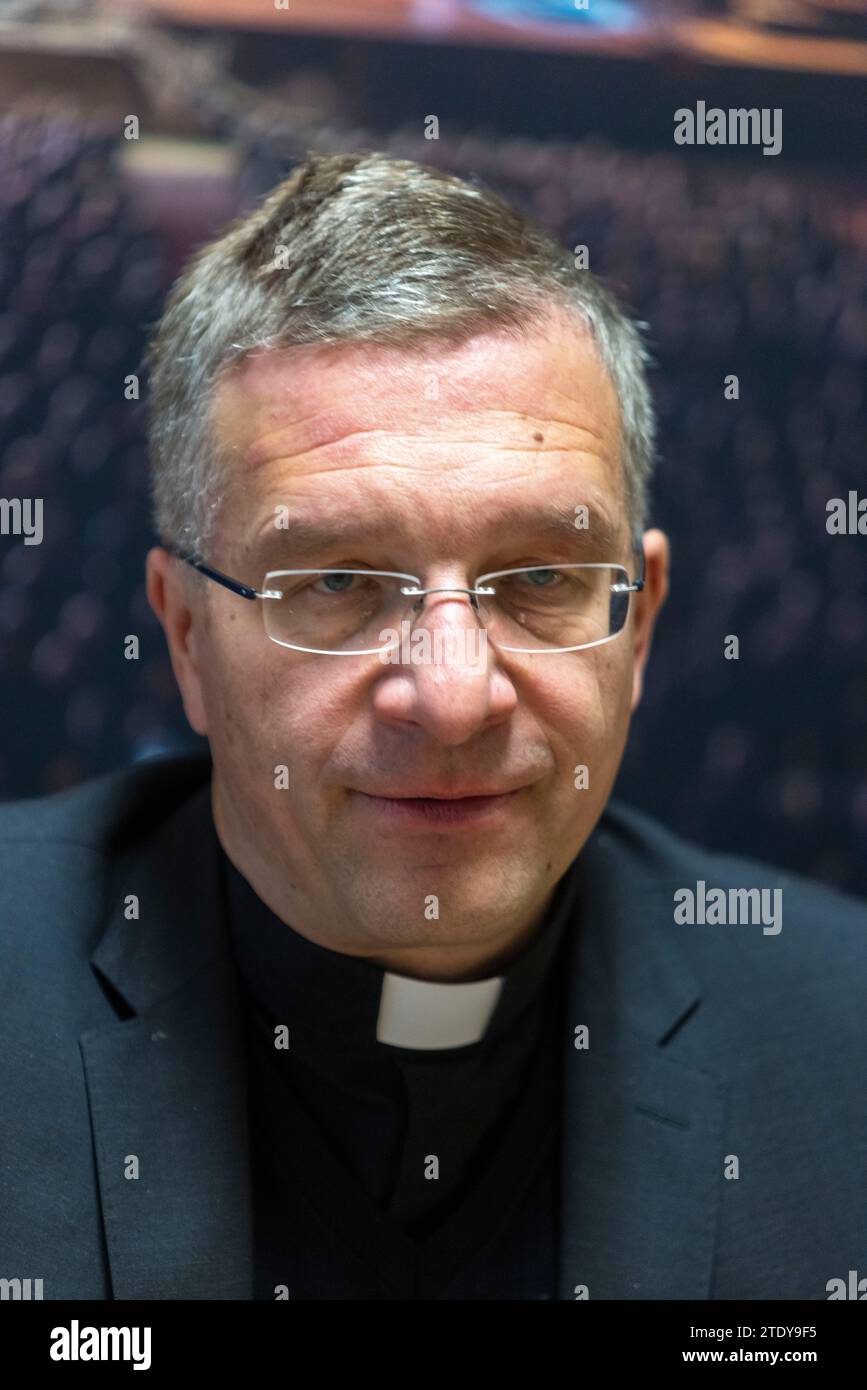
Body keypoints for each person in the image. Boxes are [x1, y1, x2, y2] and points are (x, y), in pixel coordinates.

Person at [2, 150, 865, 1301]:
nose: (456, 697)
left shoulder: (842, 1036)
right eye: (340, 585)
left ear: (642, 627)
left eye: (542, 578)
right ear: (188, 639)